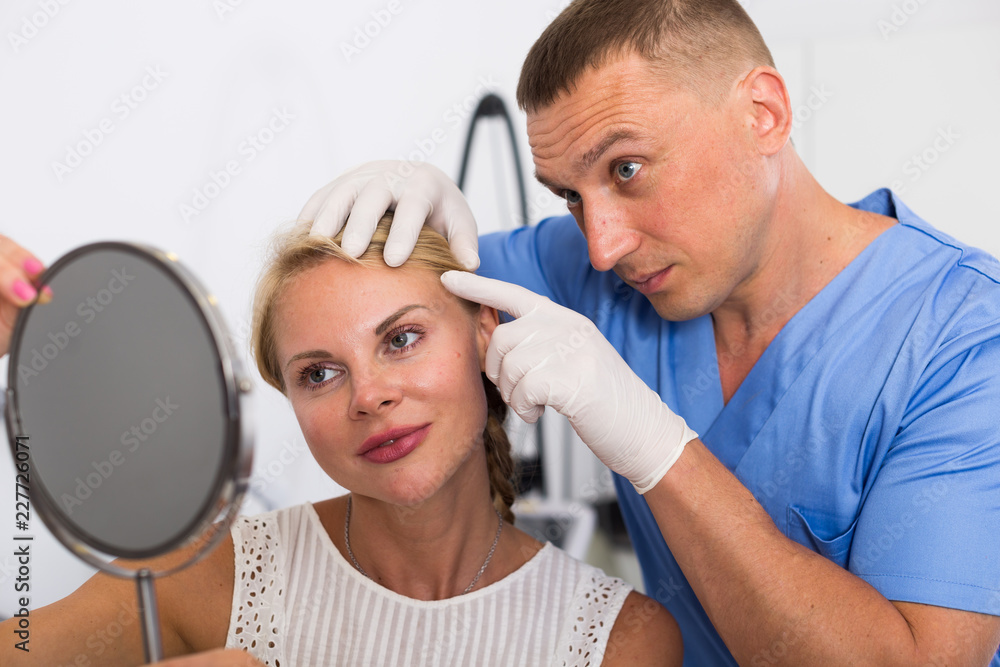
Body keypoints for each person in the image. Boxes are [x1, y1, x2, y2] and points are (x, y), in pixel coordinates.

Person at [298, 0, 1000, 664]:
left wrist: (660, 452)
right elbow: (426, 300)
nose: (602, 246)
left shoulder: (963, 340)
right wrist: (412, 202)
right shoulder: (596, 269)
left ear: (764, 113)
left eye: (626, 169)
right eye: (570, 195)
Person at [0, 221, 682, 667]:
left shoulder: (618, 641)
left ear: (483, 330)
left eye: (402, 338)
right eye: (319, 373)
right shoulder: (210, 576)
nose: (369, 394)